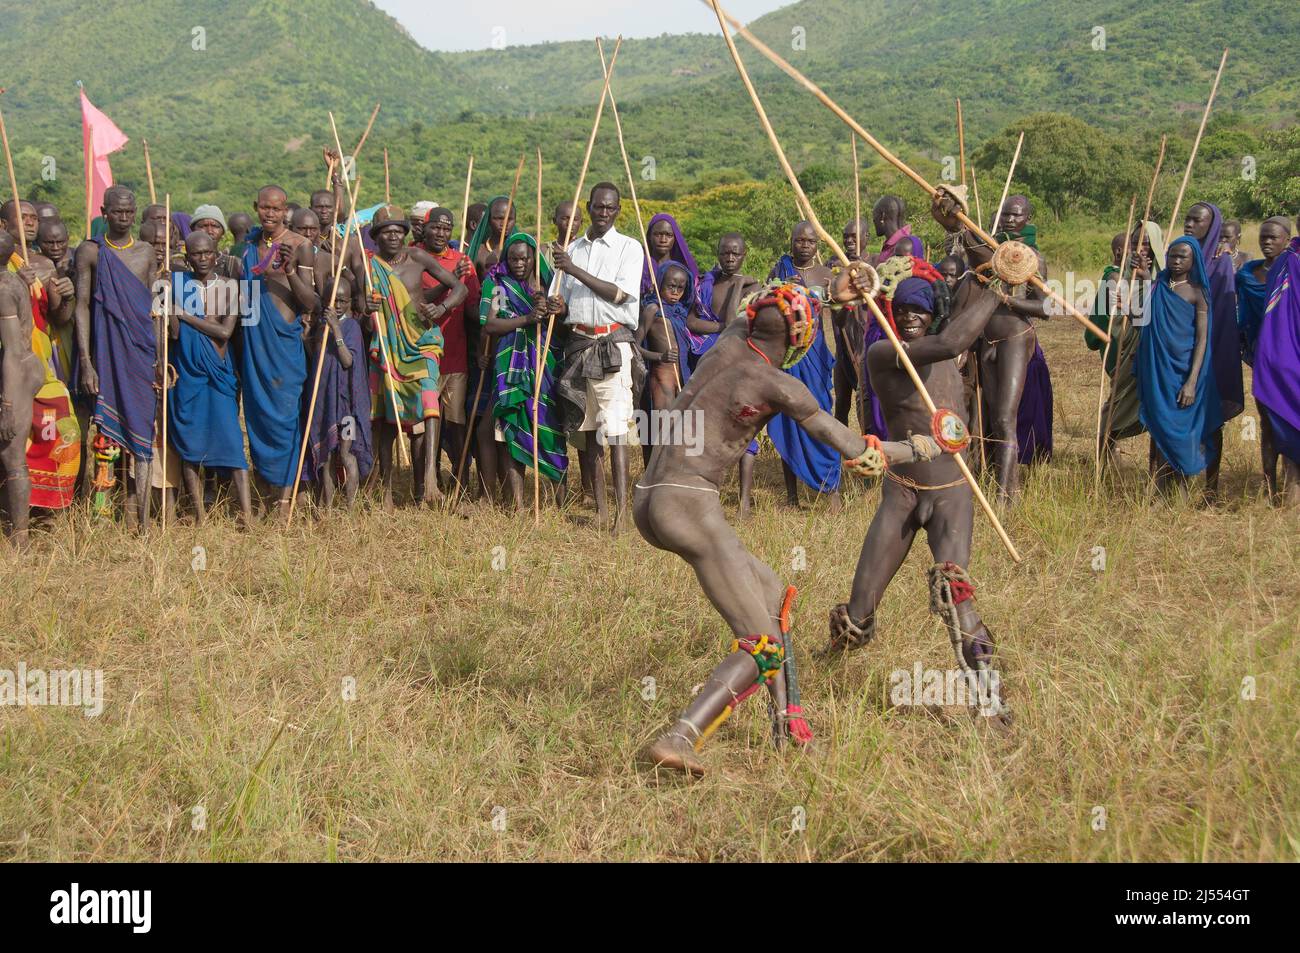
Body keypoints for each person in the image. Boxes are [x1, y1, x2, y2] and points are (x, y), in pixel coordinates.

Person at [635, 272, 930, 777]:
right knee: (760, 644)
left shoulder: (726, 344)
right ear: (801, 340)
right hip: (688, 502)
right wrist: (920, 446)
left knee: (772, 595)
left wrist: (829, 294)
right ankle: (680, 737)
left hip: (649, 498)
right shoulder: (777, 383)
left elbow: (775, 299)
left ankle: (788, 724)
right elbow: (858, 453)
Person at [827, 191, 1005, 723]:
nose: (908, 318)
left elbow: (977, 281)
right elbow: (954, 339)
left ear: (933, 314)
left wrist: (989, 255)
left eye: (919, 311)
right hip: (902, 495)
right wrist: (997, 291)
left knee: (956, 594)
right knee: (858, 614)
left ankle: (989, 701)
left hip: (953, 493)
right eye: (900, 309)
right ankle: (829, 668)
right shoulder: (886, 354)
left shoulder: (949, 343)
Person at [553, 183, 644, 533]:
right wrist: (553, 305)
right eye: (598, 207)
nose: (603, 213)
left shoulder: (629, 248)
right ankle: (602, 511)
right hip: (578, 344)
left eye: (610, 208)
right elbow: (563, 302)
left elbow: (620, 295)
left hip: (612, 346)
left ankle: (622, 515)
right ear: (588, 208)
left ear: (618, 210)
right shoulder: (571, 248)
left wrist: (574, 270)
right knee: (588, 432)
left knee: (617, 431)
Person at [364, 207, 465, 507]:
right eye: (386, 231)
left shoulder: (417, 258)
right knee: (384, 418)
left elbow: (457, 287)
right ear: (376, 236)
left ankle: (431, 481)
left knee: (429, 403)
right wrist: (365, 301)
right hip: (388, 344)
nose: (393, 236)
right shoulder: (370, 266)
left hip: (422, 342)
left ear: (406, 233)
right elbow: (356, 302)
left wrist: (442, 309)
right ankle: (385, 489)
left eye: (398, 230)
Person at [74, 186, 161, 529]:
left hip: (140, 354)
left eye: (129, 212)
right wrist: (85, 361)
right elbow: (81, 306)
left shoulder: (147, 253)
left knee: (142, 434)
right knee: (105, 436)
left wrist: (159, 358)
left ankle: (142, 519)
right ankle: (99, 513)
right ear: (104, 211)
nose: (123, 218)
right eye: (117, 212)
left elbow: (155, 310)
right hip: (106, 354)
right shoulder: (90, 252)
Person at [238, 185, 319, 519]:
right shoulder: (246, 249)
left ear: (286, 210)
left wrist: (288, 272)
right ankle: (269, 494)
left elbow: (313, 302)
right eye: (264, 208)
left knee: (284, 419)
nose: (270, 214)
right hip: (253, 345)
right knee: (257, 420)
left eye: (276, 209)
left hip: (284, 345)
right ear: (256, 208)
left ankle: (286, 499)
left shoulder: (301, 247)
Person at [165, 232, 253, 526]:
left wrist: (187, 315)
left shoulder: (231, 288)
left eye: (207, 253)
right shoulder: (176, 285)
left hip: (219, 372)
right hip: (187, 373)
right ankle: (200, 515)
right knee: (190, 443)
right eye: (195, 254)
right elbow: (174, 333)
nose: (202, 258)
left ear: (217, 254)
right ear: (186, 257)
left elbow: (225, 332)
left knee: (231, 441)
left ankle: (246, 513)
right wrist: (166, 295)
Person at [479, 233, 567, 508]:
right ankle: (516, 503)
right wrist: (526, 319)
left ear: (533, 258)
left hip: (544, 363)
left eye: (524, 258)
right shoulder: (499, 288)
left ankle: (560, 502)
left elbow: (563, 328)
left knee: (549, 428)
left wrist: (557, 310)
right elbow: (490, 325)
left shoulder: (548, 285)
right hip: (511, 365)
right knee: (512, 426)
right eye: (513, 258)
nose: (519, 264)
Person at [1136, 236, 1222, 492]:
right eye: (1172, 255)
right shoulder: (1158, 285)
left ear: (1193, 259)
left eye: (1182, 256)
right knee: (1161, 425)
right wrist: (1140, 277)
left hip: (1184, 370)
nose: (1176, 261)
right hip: (1158, 370)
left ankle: (1182, 489)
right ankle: (1162, 489)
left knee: (1183, 430)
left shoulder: (1198, 293)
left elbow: (1202, 339)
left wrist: (1192, 381)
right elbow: (1140, 317)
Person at [766, 222, 839, 510]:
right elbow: (768, 303)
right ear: (792, 242)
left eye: (810, 241)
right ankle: (792, 496)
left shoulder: (826, 274)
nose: (805, 245)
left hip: (816, 352)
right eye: (800, 240)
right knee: (788, 419)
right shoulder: (780, 269)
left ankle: (832, 490)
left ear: (817, 245)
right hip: (789, 353)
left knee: (821, 414)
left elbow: (840, 306)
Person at [1087, 222, 1166, 470]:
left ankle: (1157, 469)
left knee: (1158, 412)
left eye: (1146, 244)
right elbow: (1102, 319)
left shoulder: (1168, 277)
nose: (1140, 249)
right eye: (1135, 244)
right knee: (1115, 408)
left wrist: (1147, 280)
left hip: (1156, 354)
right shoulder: (1115, 277)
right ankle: (1103, 462)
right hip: (1124, 352)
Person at [1183, 202, 1243, 500]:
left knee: (1211, 418)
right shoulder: (1180, 256)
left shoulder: (1220, 263)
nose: (1190, 224)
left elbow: (1221, 312)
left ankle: (1211, 487)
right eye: (1188, 219)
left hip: (1211, 348)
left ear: (1213, 226)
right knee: (1177, 415)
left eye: (1198, 221)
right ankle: (1174, 483)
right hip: (1179, 348)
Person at [699, 232, 760, 516]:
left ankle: (744, 500)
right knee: (715, 430)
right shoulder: (707, 285)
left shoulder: (754, 287)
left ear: (744, 254)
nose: (730, 258)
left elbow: (734, 319)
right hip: (713, 362)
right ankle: (711, 493)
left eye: (736, 253)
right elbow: (712, 323)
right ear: (718, 253)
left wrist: (738, 285)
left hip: (743, 363)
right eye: (725, 253)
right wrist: (735, 284)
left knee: (746, 427)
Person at [420, 207, 479, 491]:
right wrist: (448, 278)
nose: (441, 233)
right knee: (424, 426)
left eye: (447, 228)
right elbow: (413, 301)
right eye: (436, 227)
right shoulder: (413, 258)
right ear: (425, 227)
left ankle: (461, 483)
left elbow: (472, 308)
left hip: (455, 356)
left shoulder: (463, 261)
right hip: (421, 357)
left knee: (456, 424)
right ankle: (425, 483)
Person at [306, 267, 373, 510]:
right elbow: (318, 360)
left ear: (350, 302)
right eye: (333, 301)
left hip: (347, 405)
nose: (338, 305)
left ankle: (351, 505)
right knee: (326, 456)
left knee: (345, 453)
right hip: (326, 401)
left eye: (343, 301)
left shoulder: (351, 327)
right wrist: (309, 336)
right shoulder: (320, 326)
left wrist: (335, 328)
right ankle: (326, 505)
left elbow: (347, 360)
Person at [0, 230, 47, 549]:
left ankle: (20, 540)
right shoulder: (14, 277)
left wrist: (6, 404)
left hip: (18, 371)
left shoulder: (4, 287)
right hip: (21, 367)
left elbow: (13, 351)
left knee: (12, 453)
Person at [1249, 220, 1300, 504]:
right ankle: (1276, 491)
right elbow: (1277, 317)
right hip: (1283, 358)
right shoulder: (1286, 263)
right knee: (1277, 423)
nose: (1267, 241)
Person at [190, 205, 243, 280]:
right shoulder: (183, 264)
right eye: (203, 226)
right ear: (193, 230)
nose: (210, 231)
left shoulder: (234, 264)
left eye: (215, 226)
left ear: (222, 232)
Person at [870, 195, 923, 265]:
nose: (873, 220)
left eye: (875, 215)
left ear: (883, 216)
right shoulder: (891, 244)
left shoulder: (906, 245)